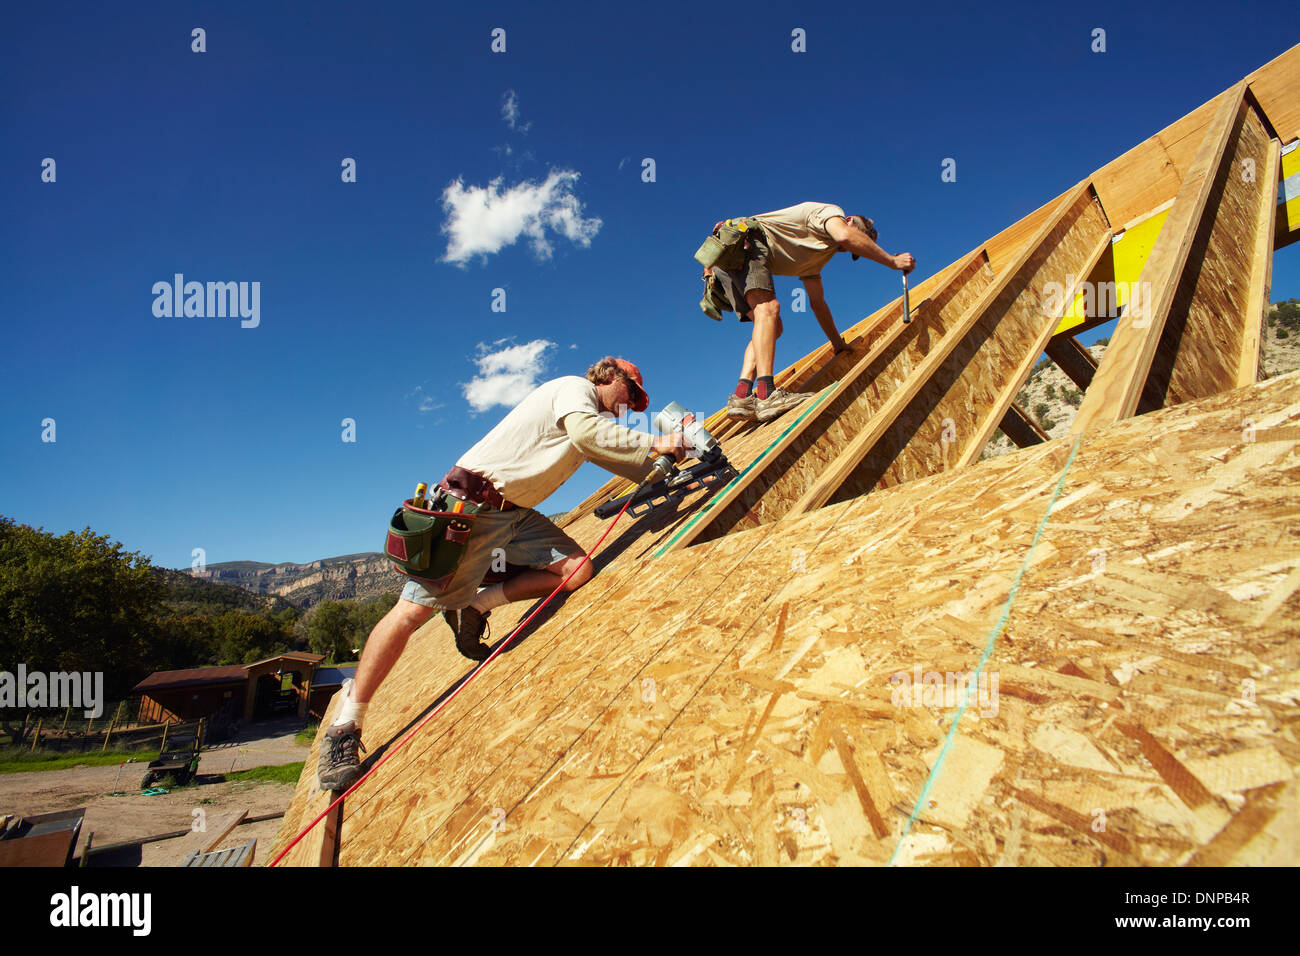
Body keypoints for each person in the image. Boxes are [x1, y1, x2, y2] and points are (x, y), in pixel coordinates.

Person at [317, 357, 683, 790]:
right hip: (470, 510)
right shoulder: (574, 390)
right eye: (631, 394)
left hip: (515, 516)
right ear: (609, 377)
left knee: (576, 569)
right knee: (411, 613)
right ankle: (346, 724)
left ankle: (479, 603)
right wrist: (659, 445)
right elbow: (592, 436)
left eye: (638, 402)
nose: (632, 405)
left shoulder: (591, 423)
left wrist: (666, 462)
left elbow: (607, 450)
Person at [705, 202, 915, 422]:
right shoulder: (830, 213)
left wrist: (837, 344)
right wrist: (892, 261)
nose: (846, 249)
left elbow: (818, 304)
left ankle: (742, 395)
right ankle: (767, 394)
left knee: (771, 326)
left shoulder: (818, 256)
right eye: (858, 241)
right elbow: (844, 236)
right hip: (744, 241)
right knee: (769, 309)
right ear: (851, 221)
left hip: (725, 261)